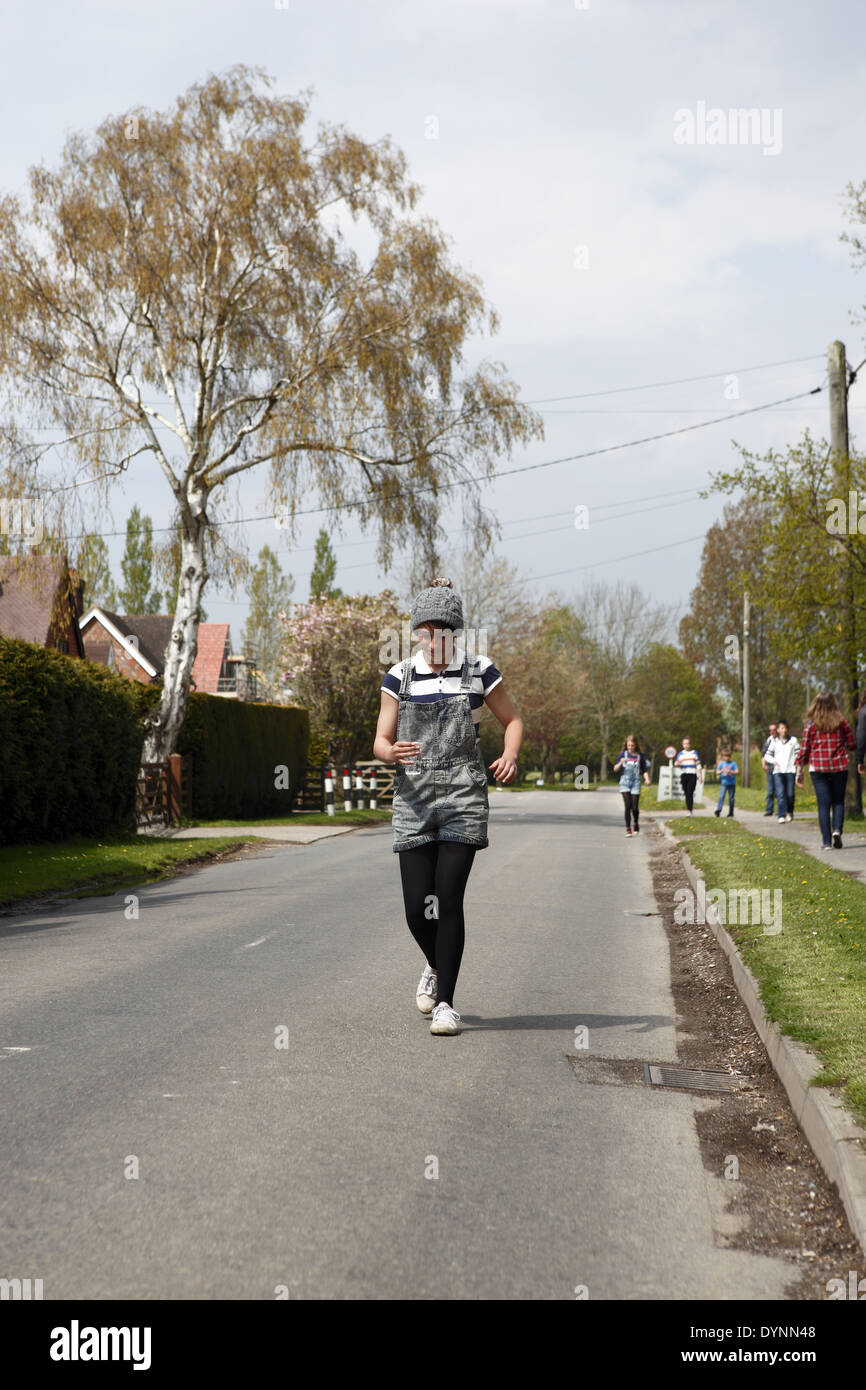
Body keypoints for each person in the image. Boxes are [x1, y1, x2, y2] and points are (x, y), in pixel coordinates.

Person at [374, 578, 523, 1036]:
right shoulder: (399, 675)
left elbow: (512, 719)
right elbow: (380, 739)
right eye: (426, 631)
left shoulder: (480, 670)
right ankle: (435, 964)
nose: (433, 639)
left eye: (443, 631)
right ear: (418, 631)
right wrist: (389, 752)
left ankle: (446, 1005)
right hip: (414, 799)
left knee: (449, 899)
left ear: (455, 634)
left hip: (463, 795)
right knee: (418, 909)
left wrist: (509, 754)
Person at [794, 692, 855, 850]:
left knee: (823, 804)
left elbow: (804, 749)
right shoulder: (842, 722)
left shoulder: (811, 724)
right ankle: (837, 831)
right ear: (833, 703)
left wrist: (799, 771)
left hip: (818, 768)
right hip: (839, 766)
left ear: (816, 704)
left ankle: (826, 842)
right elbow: (852, 744)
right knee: (838, 801)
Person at [613, 735, 651, 836]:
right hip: (624, 782)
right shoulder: (622, 755)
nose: (630, 747)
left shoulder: (640, 756)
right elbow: (615, 769)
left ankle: (636, 823)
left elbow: (644, 770)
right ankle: (628, 829)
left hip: (636, 782)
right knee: (627, 805)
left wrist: (647, 779)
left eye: (632, 746)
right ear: (626, 745)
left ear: (636, 745)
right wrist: (620, 763)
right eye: (629, 745)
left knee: (634, 807)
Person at [765, 719, 799, 823]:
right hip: (778, 771)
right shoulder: (774, 742)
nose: (783, 730)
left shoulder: (793, 741)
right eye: (781, 728)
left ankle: (789, 812)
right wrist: (773, 761)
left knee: (790, 794)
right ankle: (781, 815)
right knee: (780, 794)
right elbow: (767, 755)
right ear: (778, 730)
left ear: (787, 729)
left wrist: (797, 765)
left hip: (790, 771)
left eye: (785, 728)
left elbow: (798, 754)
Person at [674, 737, 702, 813]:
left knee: (690, 792)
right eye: (685, 744)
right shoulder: (680, 754)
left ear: (690, 744)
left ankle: (689, 810)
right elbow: (676, 763)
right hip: (684, 775)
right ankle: (689, 808)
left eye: (688, 744)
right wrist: (677, 764)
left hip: (692, 774)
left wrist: (700, 776)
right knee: (686, 793)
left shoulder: (694, 753)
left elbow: (698, 765)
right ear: (682, 745)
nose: (686, 745)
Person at [761, 722, 779, 817]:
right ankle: (769, 809)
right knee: (770, 790)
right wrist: (763, 764)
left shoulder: (781, 740)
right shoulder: (769, 740)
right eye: (770, 730)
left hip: (779, 769)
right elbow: (764, 753)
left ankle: (781, 810)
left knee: (779, 791)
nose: (772, 732)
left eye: (774, 730)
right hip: (770, 769)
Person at [713, 750, 738, 817]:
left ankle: (731, 812)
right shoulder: (722, 764)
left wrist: (731, 771)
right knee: (721, 797)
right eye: (726, 756)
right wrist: (722, 771)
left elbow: (737, 771)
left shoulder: (733, 764)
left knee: (731, 798)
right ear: (723, 757)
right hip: (724, 783)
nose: (727, 758)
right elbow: (717, 772)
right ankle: (718, 810)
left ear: (730, 757)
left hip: (732, 783)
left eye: (728, 756)